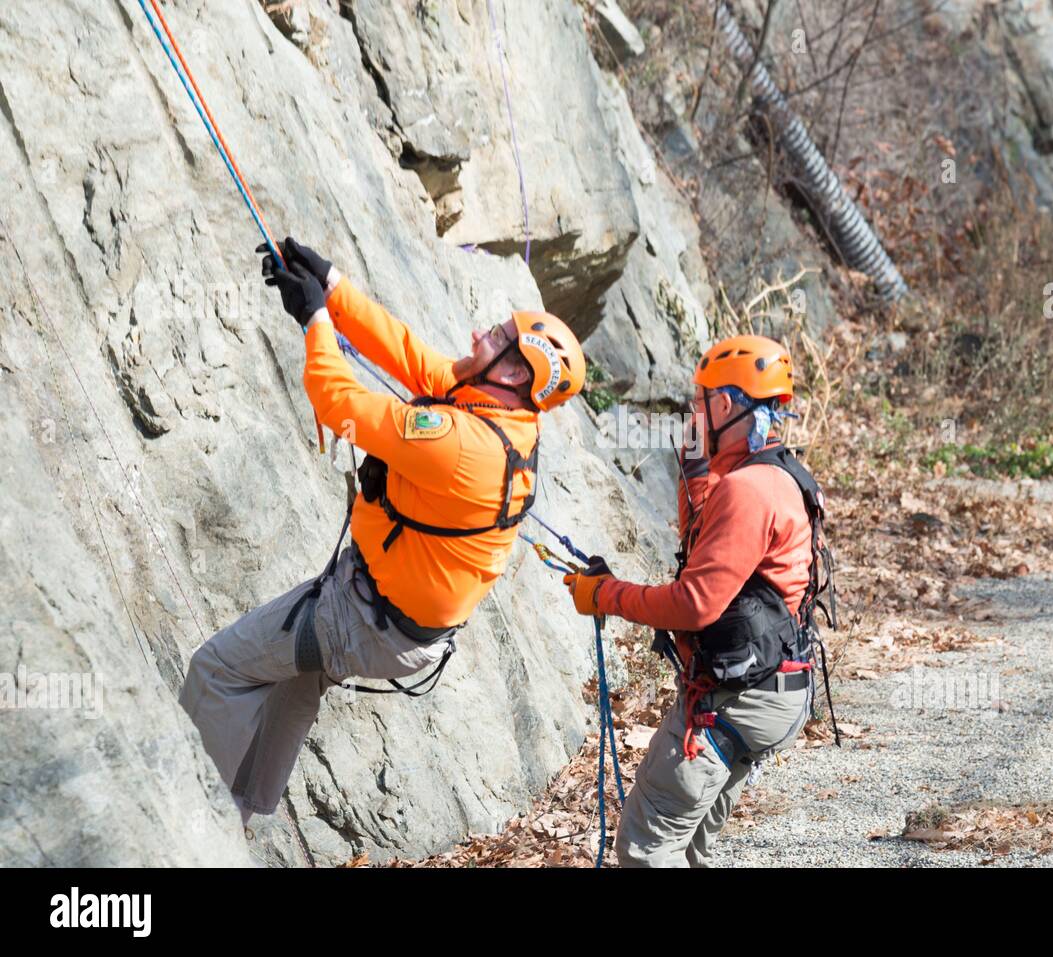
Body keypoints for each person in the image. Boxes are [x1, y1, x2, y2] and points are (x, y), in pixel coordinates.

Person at [179, 238, 585, 826]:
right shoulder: (507, 419)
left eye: (496, 337)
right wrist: (333, 286)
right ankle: (245, 810)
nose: (479, 336)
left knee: (219, 668)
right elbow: (414, 358)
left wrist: (313, 317)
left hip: (368, 619)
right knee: (296, 681)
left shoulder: (462, 444)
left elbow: (337, 403)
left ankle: (185, 824)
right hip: (395, 621)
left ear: (517, 372)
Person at [563, 334, 837, 867]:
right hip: (775, 692)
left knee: (646, 847)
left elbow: (694, 603)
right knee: (688, 850)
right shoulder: (779, 475)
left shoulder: (747, 490)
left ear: (727, 404)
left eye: (700, 399)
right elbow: (717, 558)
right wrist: (695, 475)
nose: (692, 411)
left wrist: (606, 595)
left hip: (739, 700)